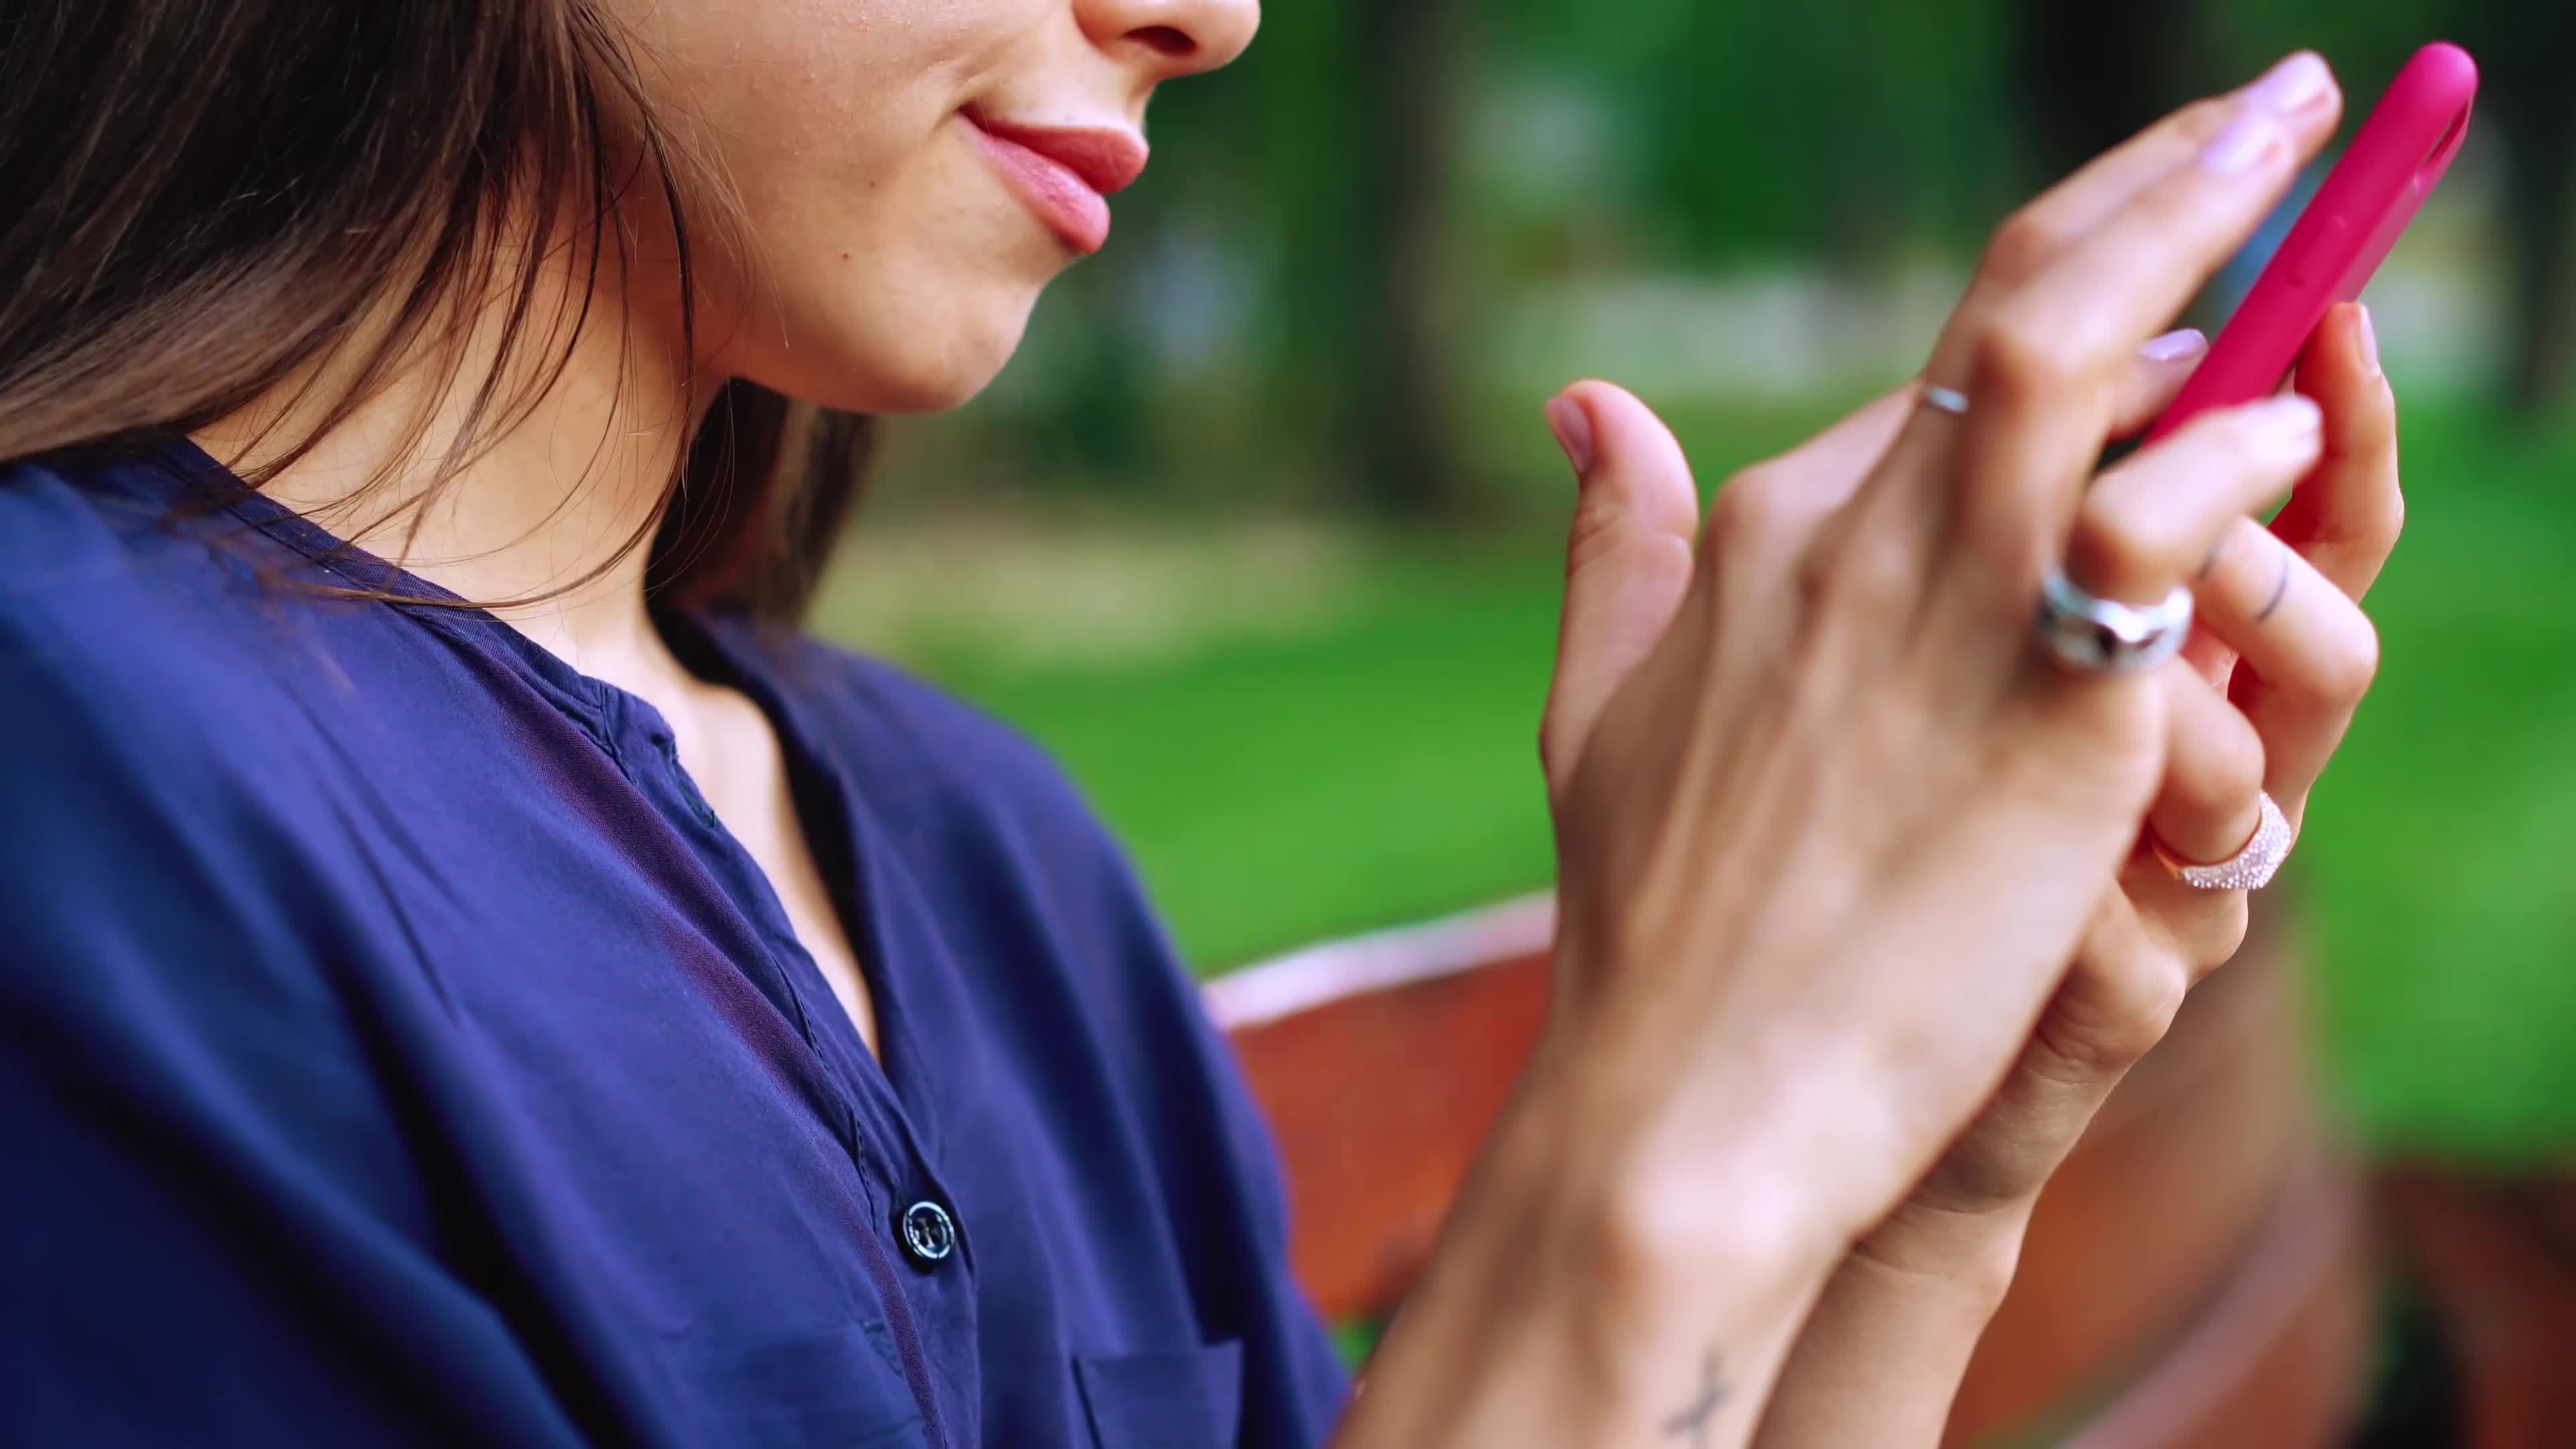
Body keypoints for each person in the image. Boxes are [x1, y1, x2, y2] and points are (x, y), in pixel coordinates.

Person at [0, 1, 2397, 1444]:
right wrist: (1678, 1122)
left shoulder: (982, 859)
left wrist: (1905, 1170)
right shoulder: (75, 781)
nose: (1214, 11)